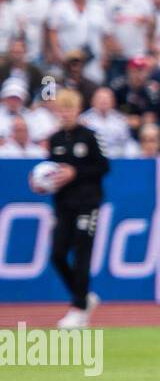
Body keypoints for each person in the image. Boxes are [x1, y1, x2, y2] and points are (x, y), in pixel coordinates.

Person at [40, 89, 110, 329]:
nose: (66, 113)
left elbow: (103, 167)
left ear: (78, 110)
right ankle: (84, 297)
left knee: (82, 254)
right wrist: (42, 183)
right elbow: (51, 172)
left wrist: (76, 172)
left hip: (88, 203)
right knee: (57, 254)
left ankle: (78, 309)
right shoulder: (56, 139)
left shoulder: (90, 136)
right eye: (62, 109)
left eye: (70, 108)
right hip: (64, 205)